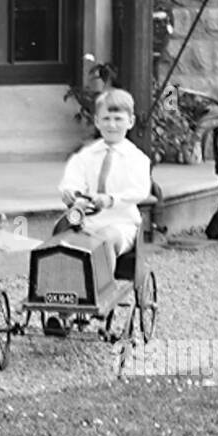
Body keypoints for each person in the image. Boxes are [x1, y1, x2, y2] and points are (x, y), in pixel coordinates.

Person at [51, 88, 153, 333]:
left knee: (104, 240)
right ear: (97, 121)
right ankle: (62, 307)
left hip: (121, 224)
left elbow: (139, 190)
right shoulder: (86, 156)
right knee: (61, 237)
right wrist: (71, 194)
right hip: (87, 221)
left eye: (118, 119)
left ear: (130, 121)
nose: (112, 125)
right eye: (106, 119)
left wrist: (110, 199)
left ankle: (98, 295)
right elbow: (71, 181)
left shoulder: (137, 159)